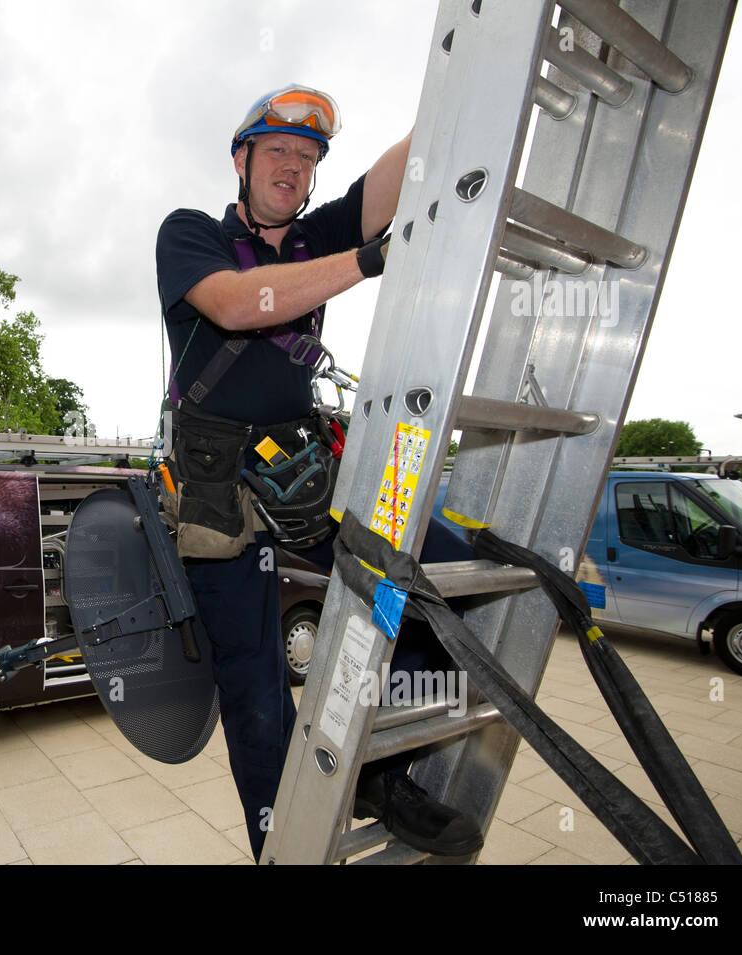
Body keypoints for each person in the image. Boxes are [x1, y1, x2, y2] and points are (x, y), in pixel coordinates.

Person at [155, 84, 483, 862]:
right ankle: (282, 849)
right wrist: (367, 261)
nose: (293, 167)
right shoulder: (190, 233)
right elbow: (238, 305)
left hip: (303, 468)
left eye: (307, 158)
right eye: (277, 151)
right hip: (220, 491)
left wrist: (468, 75)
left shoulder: (316, 238)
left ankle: (381, 772)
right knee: (257, 689)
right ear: (241, 161)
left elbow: (406, 166)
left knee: (441, 585)